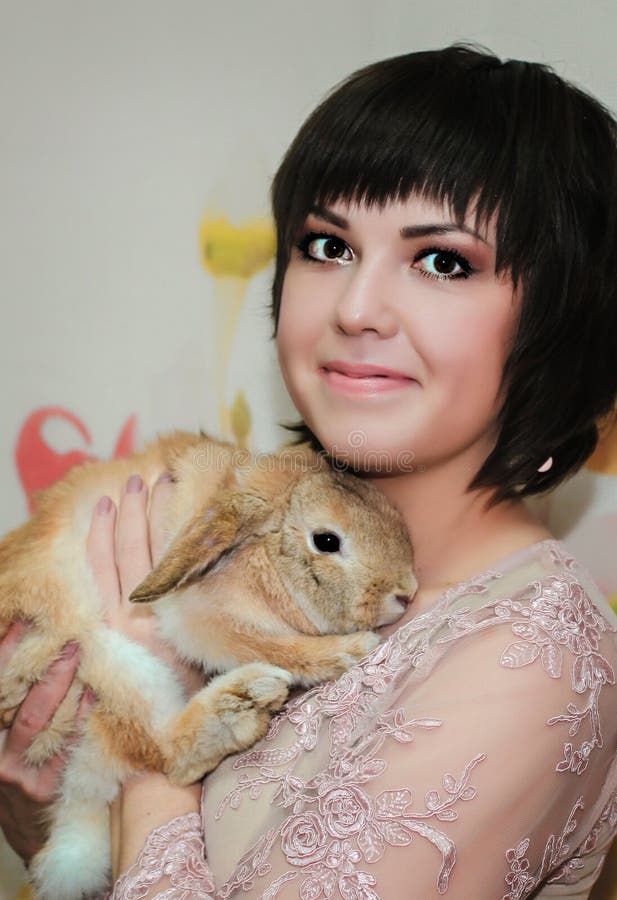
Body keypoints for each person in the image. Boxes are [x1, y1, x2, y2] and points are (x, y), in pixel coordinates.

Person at [1, 43, 617, 898]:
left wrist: (142, 740)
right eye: (327, 246)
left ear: (560, 319)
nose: (355, 310)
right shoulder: (236, 525)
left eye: (441, 261)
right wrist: (53, 816)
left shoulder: (532, 655)